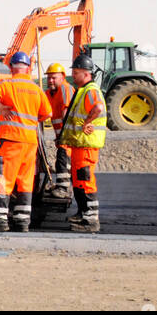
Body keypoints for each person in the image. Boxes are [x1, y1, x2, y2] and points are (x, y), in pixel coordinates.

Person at [0, 51, 52, 232]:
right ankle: (22, 222)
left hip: (10, 140)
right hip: (30, 143)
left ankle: (0, 220)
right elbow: (48, 114)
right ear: (28, 68)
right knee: (25, 182)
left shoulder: (7, 84)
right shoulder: (36, 89)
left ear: (11, 67)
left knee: (2, 178)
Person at [61, 55, 107, 233]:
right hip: (80, 145)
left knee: (86, 181)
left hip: (86, 146)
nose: (73, 75)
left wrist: (88, 122)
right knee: (79, 181)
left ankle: (91, 221)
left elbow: (98, 108)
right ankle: (83, 214)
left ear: (86, 74)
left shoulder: (91, 90)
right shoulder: (83, 90)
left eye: (76, 72)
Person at [44, 63, 75, 198]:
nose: (50, 80)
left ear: (62, 77)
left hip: (68, 135)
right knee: (64, 161)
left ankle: (63, 188)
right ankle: (65, 186)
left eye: (54, 78)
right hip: (61, 135)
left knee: (63, 160)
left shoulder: (65, 89)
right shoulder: (50, 93)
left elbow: (66, 113)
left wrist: (64, 135)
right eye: (49, 78)